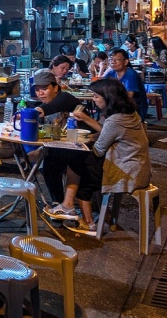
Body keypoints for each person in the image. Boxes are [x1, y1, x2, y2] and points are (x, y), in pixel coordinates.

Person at [45, 78, 151, 236]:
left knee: (74, 159)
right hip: (136, 167)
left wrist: (84, 143)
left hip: (123, 170)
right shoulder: (129, 114)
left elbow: (100, 150)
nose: (93, 100)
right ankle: (79, 216)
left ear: (108, 97)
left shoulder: (116, 120)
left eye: (96, 97)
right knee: (79, 166)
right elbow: (106, 132)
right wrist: (87, 122)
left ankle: (74, 211)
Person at [30, 69, 82, 205]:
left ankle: (59, 203)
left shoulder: (65, 98)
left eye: (44, 89)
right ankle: (57, 202)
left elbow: (47, 109)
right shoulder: (47, 103)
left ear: (55, 87)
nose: (40, 93)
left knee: (49, 161)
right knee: (48, 160)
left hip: (83, 148)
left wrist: (31, 114)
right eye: (37, 89)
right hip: (64, 146)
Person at [103, 48, 149, 121]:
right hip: (119, 107)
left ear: (125, 61)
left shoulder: (130, 74)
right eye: (111, 60)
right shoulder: (111, 73)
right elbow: (100, 86)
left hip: (135, 109)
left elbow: (129, 96)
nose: (113, 62)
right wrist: (102, 69)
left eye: (117, 60)